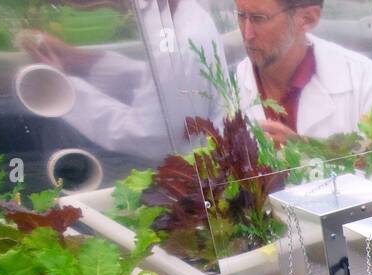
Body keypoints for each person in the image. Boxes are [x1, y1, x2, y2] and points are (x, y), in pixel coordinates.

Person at [18, 0, 226, 162]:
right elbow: (158, 81)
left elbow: (152, 137)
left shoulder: (179, 38)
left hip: (196, 189)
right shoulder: (171, 15)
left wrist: (61, 88)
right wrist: (82, 62)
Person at [233, 0, 372, 145]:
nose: (247, 34)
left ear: (308, 18)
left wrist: (305, 152)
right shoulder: (230, 87)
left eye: (259, 18)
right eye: (241, 16)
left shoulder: (368, 83)